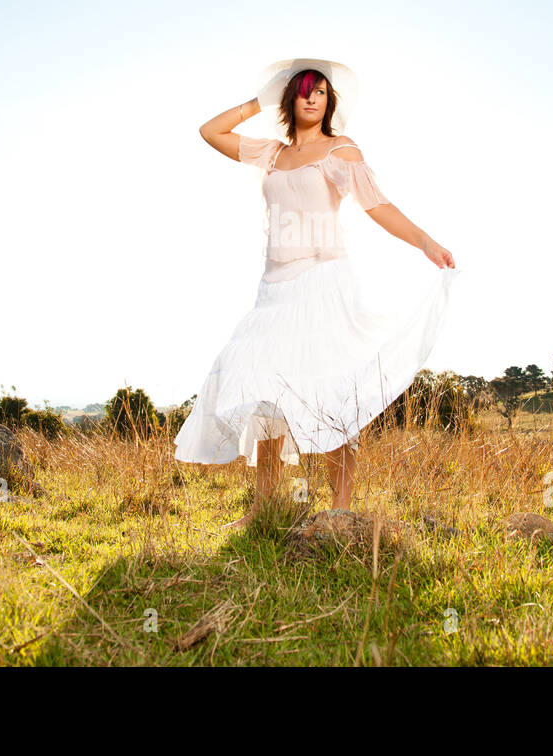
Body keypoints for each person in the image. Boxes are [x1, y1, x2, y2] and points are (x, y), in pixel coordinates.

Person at [173, 58, 458, 530]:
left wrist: (426, 242)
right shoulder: (272, 154)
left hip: (324, 283)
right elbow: (210, 131)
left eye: (321, 91)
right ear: (290, 97)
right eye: (303, 89)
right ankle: (265, 510)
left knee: (333, 392)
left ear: (330, 103)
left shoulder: (339, 150)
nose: (311, 97)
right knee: (265, 394)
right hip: (274, 290)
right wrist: (257, 101)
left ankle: (341, 511)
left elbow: (377, 205)